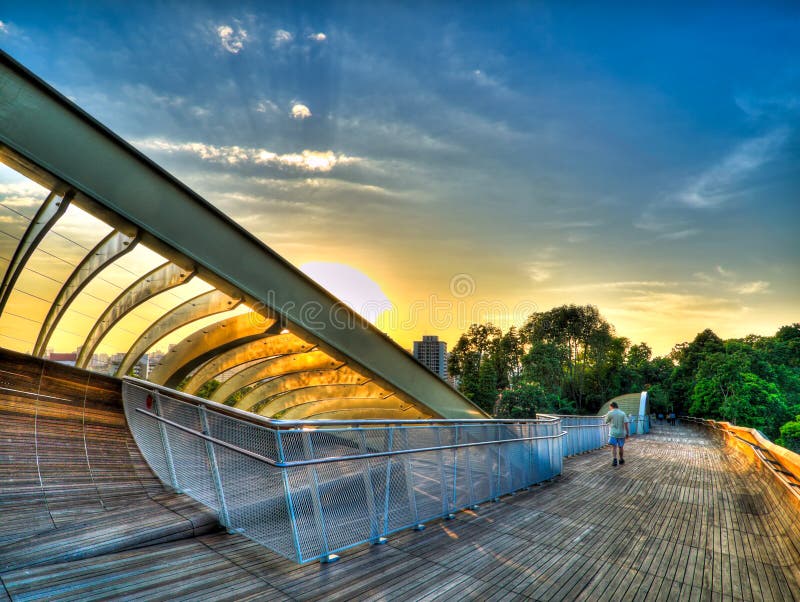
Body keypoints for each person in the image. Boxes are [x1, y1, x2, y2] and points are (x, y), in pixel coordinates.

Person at [605, 401, 629, 466]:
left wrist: (608, 416)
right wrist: (627, 433)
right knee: (621, 447)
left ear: (611, 406)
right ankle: (621, 459)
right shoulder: (622, 413)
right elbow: (626, 423)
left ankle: (615, 460)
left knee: (614, 447)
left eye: (610, 407)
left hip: (613, 433)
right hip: (621, 433)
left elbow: (606, 421)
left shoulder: (610, 413)